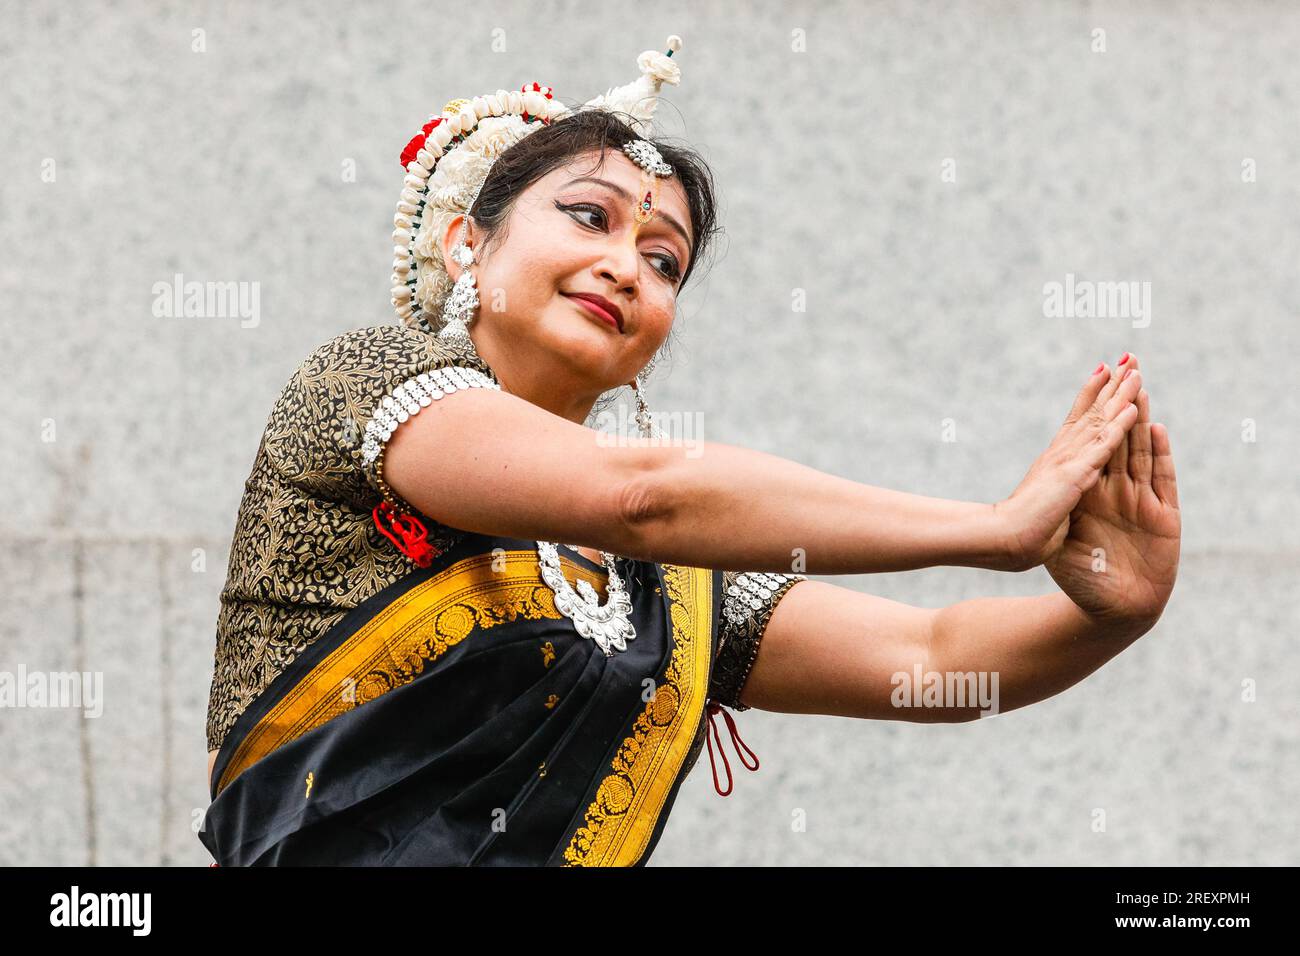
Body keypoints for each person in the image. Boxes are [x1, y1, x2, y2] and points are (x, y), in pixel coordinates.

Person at [200, 37, 1181, 866]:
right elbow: (643, 494)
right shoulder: (364, 383)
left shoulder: (654, 583)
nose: (624, 263)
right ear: (467, 244)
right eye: (588, 216)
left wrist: (1110, 612)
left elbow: (932, 656)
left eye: (663, 258)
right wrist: (991, 527)